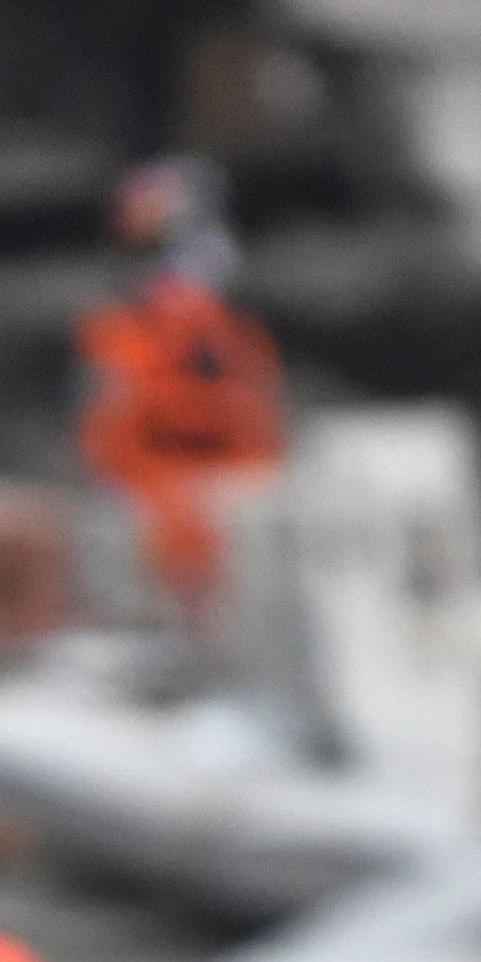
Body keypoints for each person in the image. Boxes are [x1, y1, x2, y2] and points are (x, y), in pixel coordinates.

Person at [77, 158, 287, 640]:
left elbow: (260, 438)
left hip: (226, 507)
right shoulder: (120, 336)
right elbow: (108, 444)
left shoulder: (235, 337)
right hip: (154, 505)